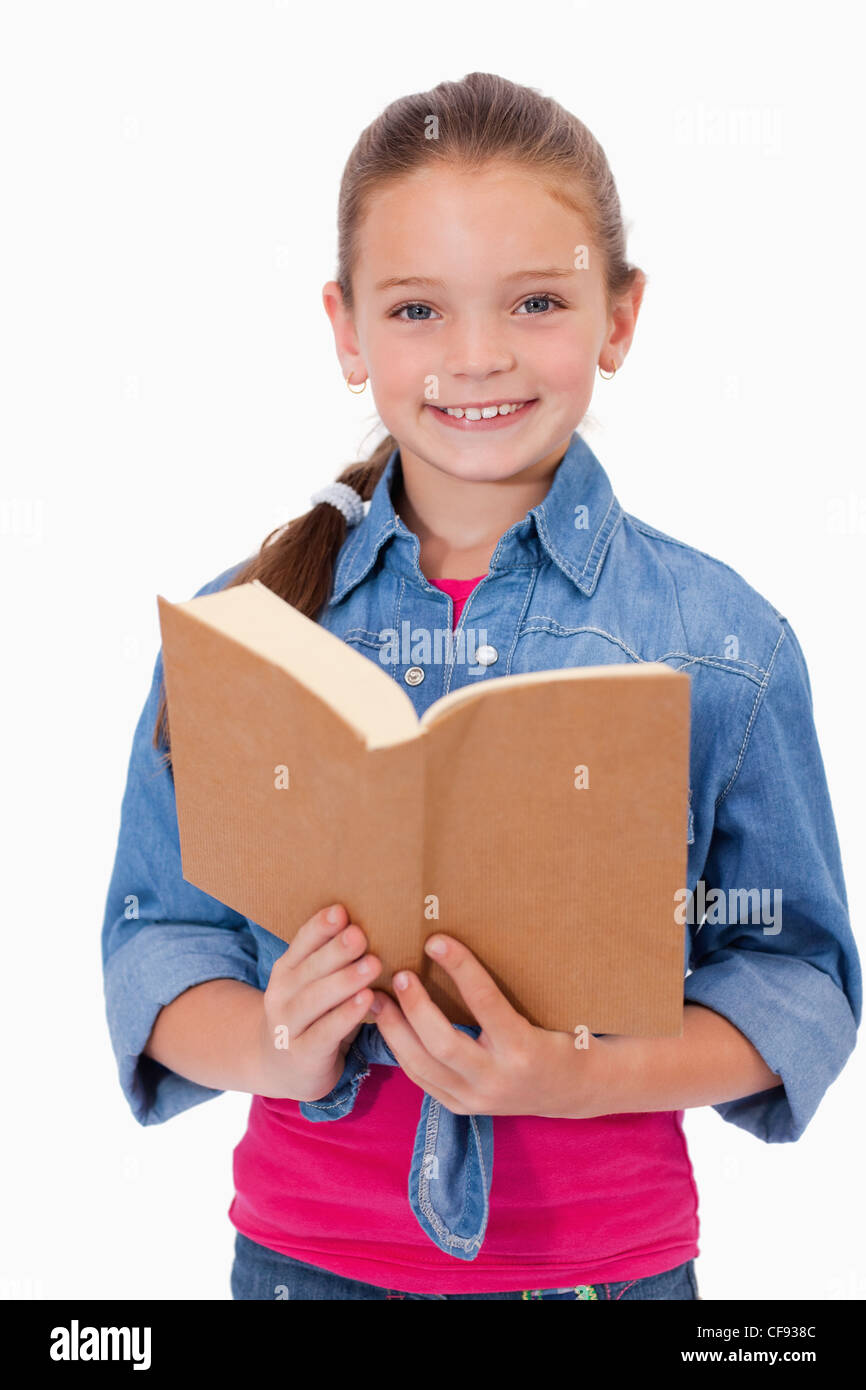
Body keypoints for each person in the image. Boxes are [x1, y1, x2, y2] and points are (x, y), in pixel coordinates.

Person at [101, 71, 860, 1301]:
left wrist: (578, 1079)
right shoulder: (251, 624)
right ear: (345, 330)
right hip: (302, 1268)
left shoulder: (724, 642)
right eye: (415, 311)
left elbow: (796, 979)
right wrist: (274, 1044)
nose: (475, 357)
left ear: (619, 319)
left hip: (601, 1277)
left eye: (536, 301)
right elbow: (155, 940)